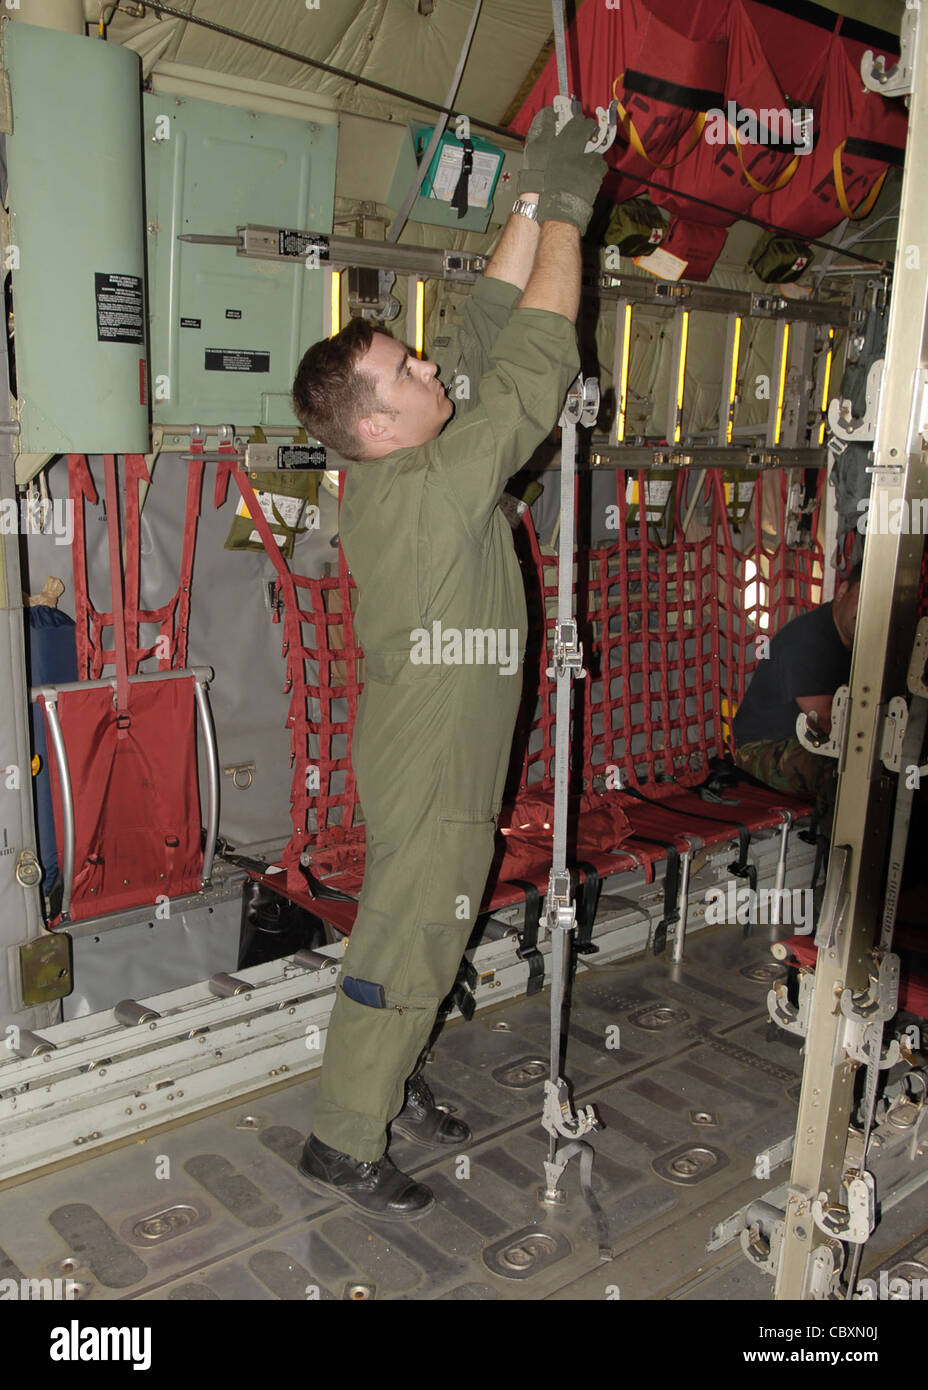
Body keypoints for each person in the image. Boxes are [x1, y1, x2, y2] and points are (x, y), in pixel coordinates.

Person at [288, 108, 606, 1220]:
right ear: (378, 427)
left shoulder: (413, 457)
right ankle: (342, 1137)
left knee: (426, 929)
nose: (428, 365)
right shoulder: (428, 487)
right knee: (408, 938)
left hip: (433, 754)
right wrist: (569, 206)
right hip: (432, 776)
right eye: (404, 368)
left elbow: (480, 336)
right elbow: (534, 362)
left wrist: (527, 192)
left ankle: (389, 1073)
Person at [732, 564, 861, 797]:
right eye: (863, 601)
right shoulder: (807, 640)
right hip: (764, 748)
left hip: (810, 744)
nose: (868, 613)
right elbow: (826, 721)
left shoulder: (860, 643)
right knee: (846, 773)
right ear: (842, 592)